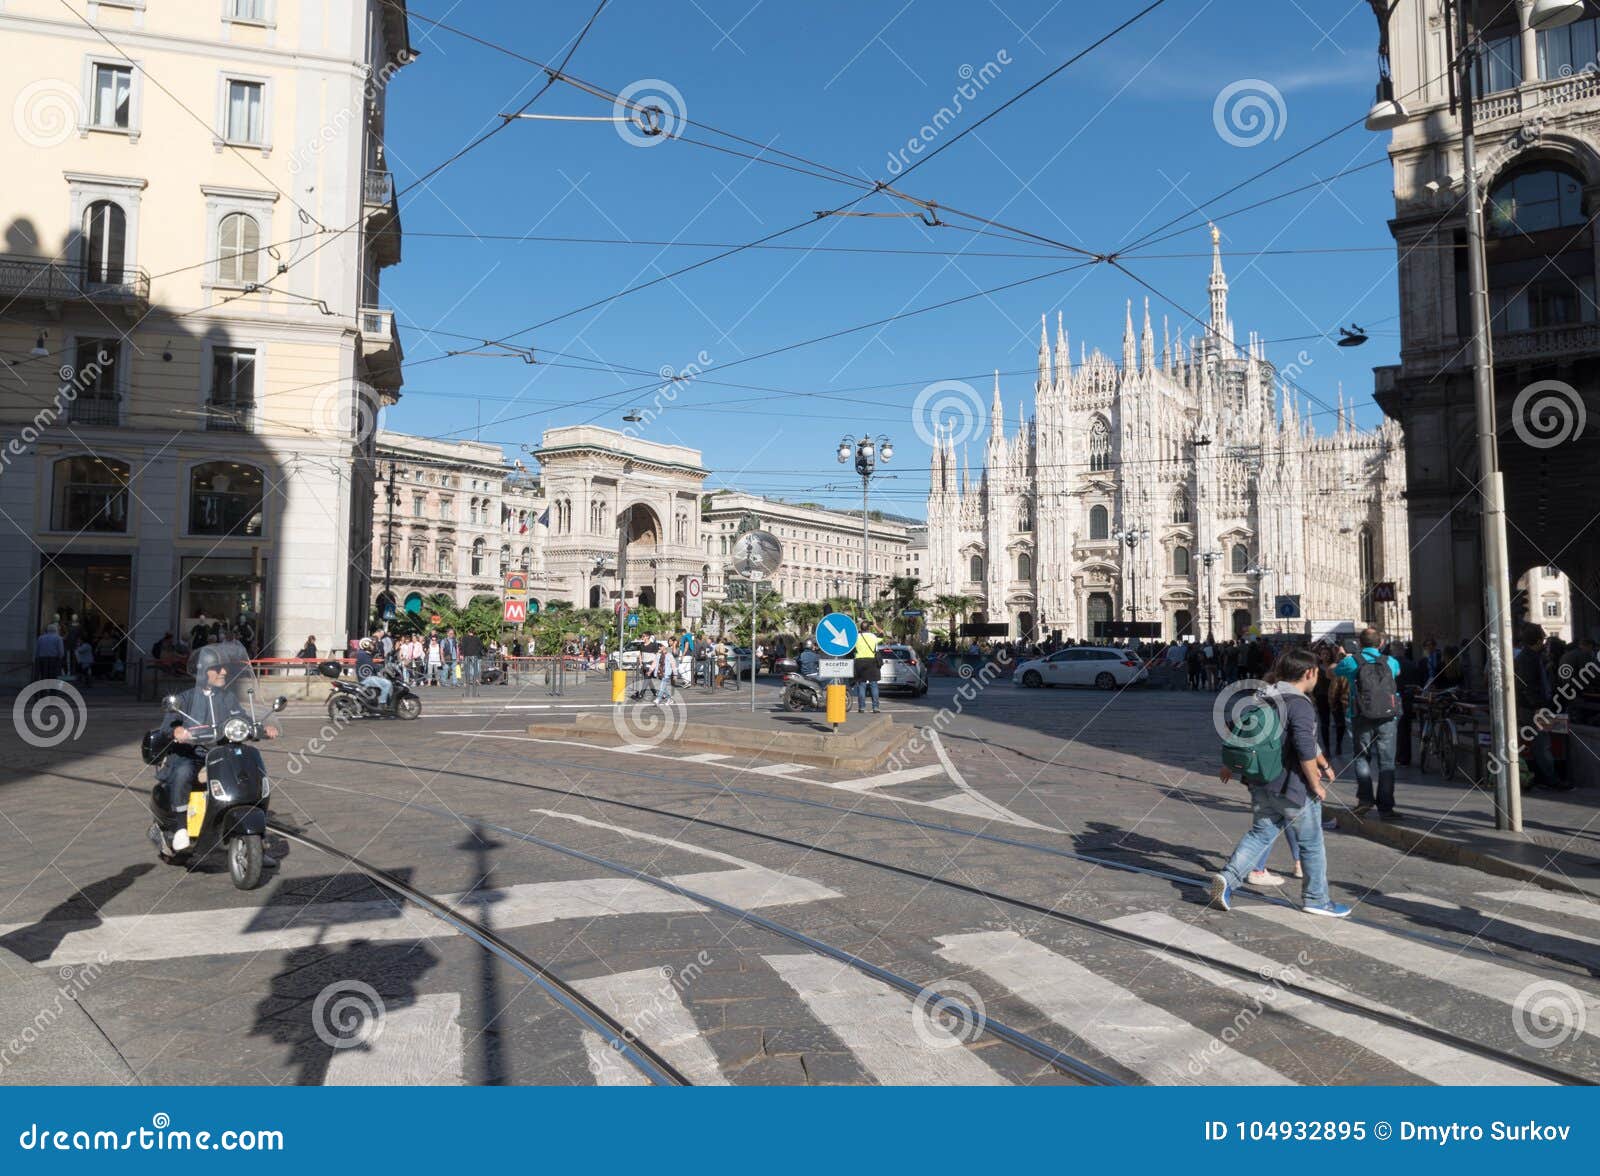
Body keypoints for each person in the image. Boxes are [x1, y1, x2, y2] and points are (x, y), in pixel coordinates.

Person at [1210, 648, 1350, 918]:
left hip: (1261, 783)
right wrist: (1316, 783)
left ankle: (1228, 879)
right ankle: (1317, 899)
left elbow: (1249, 733)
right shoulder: (1299, 703)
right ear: (1309, 673)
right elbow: (1303, 745)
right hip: (1292, 786)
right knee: (1311, 842)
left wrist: (1324, 763)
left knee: (1260, 834)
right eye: (1317, 672)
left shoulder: (1266, 698)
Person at [152, 644, 279, 854]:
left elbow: (241, 718)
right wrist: (177, 731)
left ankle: (252, 834)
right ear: (204, 671)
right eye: (217, 668)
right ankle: (182, 828)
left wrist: (262, 727)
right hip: (192, 754)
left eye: (224, 668)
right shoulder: (185, 698)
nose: (224, 672)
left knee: (247, 771)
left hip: (221, 753)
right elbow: (170, 724)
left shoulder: (226, 697)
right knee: (183, 773)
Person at [1336, 627, 1404, 820]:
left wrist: (1343, 656)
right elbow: (1397, 673)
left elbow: (1335, 672)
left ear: (1359, 642)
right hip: (1388, 716)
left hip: (1360, 714)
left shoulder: (1351, 661)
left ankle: (1365, 800)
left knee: (1361, 757)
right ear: (1381, 643)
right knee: (1387, 762)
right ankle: (1386, 807)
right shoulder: (1391, 661)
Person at [1514, 623, 1568, 792]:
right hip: (1533, 708)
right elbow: (1527, 685)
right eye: (1543, 639)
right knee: (1541, 743)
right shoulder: (1528, 658)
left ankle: (1544, 777)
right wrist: (1537, 706)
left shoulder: (1531, 656)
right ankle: (1550, 779)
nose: (1544, 642)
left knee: (1540, 743)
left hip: (1533, 706)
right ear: (1537, 640)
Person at [355, 638, 394, 711]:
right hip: (366, 679)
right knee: (387, 684)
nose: (373, 646)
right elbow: (373, 666)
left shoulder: (363, 654)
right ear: (366, 645)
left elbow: (371, 666)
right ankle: (382, 703)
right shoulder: (363, 655)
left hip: (367, 677)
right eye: (372, 645)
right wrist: (383, 669)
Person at [853, 621, 883, 714]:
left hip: (859, 662)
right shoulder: (873, 637)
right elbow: (882, 634)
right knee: (873, 685)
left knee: (862, 685)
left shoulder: (856, 637)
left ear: (861, 628)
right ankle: (875, 707)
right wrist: (875, 625)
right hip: (872, 662)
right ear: (869, 628)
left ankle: (862, 708)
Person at [460, 629, 485, 698]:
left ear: (468, 632)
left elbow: (462, 646)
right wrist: (477, 651)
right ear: (474, 633)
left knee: (467, 669)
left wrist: (462, 654)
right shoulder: (477, 638)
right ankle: (475, 680)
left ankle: (467, 682)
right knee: (475, 669)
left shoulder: (464, 638)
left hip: (467, 655)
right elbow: (481, 646)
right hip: (474, 655)